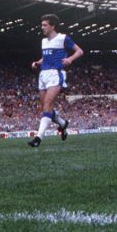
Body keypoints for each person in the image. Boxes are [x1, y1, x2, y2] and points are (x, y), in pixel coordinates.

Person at [27, 14, 82, 148]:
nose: (42, 27)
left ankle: (38, 138)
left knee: (47, 105)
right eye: (42, 25)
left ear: (53, 26)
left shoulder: (63, 38)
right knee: (47, 108)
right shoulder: (44, 41)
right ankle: (63, 124)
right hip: (43, 75)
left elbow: (79, 51)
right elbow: (46, 57)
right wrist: (37, 62)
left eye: (45, 25)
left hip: (56, 74)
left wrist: (70, 59)